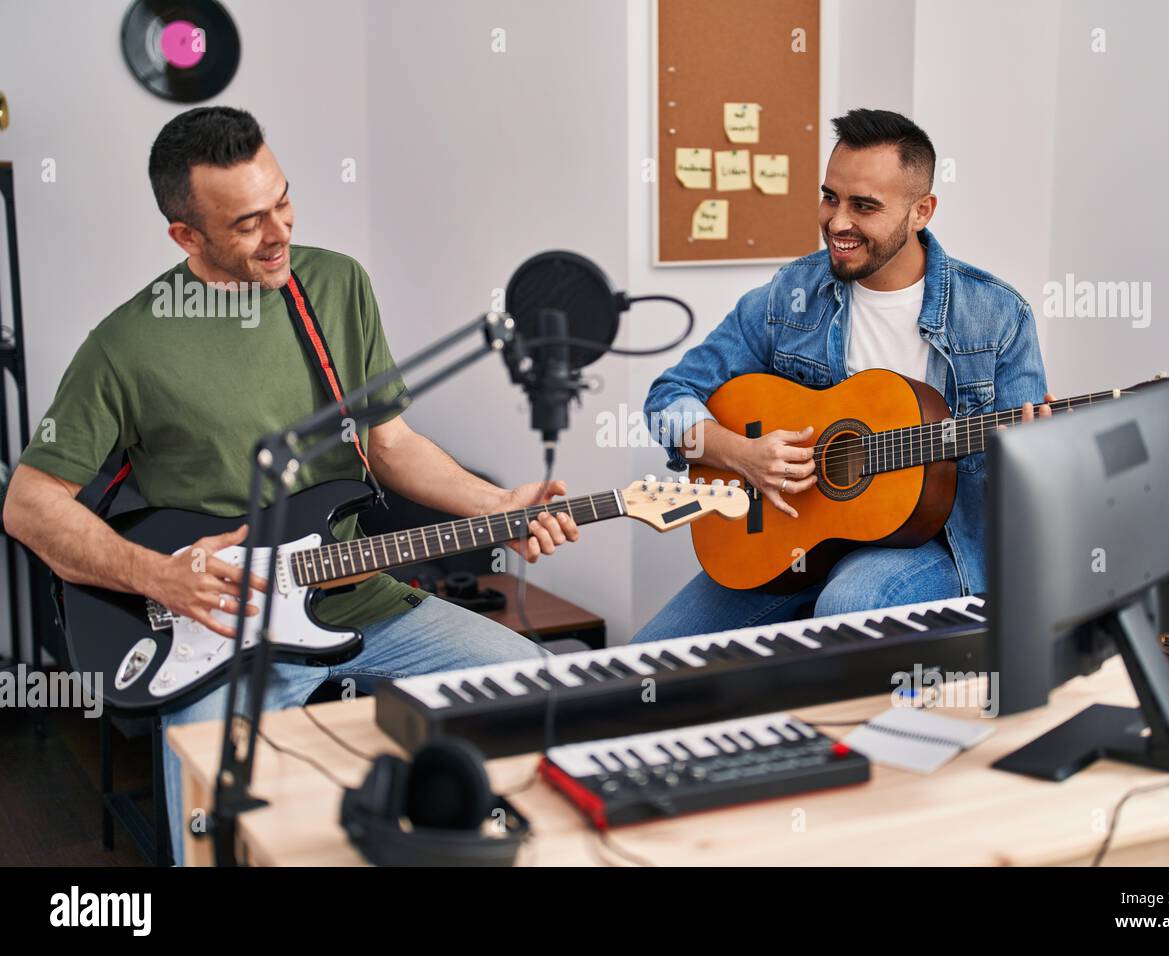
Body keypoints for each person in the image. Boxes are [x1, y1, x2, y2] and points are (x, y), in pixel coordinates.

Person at [2, 107, 578, 864]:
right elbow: (29, 503)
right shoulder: (125, 344)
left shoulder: (336, 286)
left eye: (282, 200)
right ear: (186, 236)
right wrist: (158, 576)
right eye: (246, 223)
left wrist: (497, 504)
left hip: (360, 595)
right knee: (208, 806)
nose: (278, 233)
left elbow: (390, 441)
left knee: (529, 685)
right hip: (222, 633)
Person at [635, 108, 1051, 643]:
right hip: (788, 538)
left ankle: (822, 728)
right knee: (643, 661)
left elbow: (1025, 494)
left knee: (848, 604)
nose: (837, 223)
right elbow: (668, 399)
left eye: (864, 206)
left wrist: (1033, 456)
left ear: (921, 211)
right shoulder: (793, 293)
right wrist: (740, 453)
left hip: (930, 544)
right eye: (830, 197)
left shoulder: (996, 316)